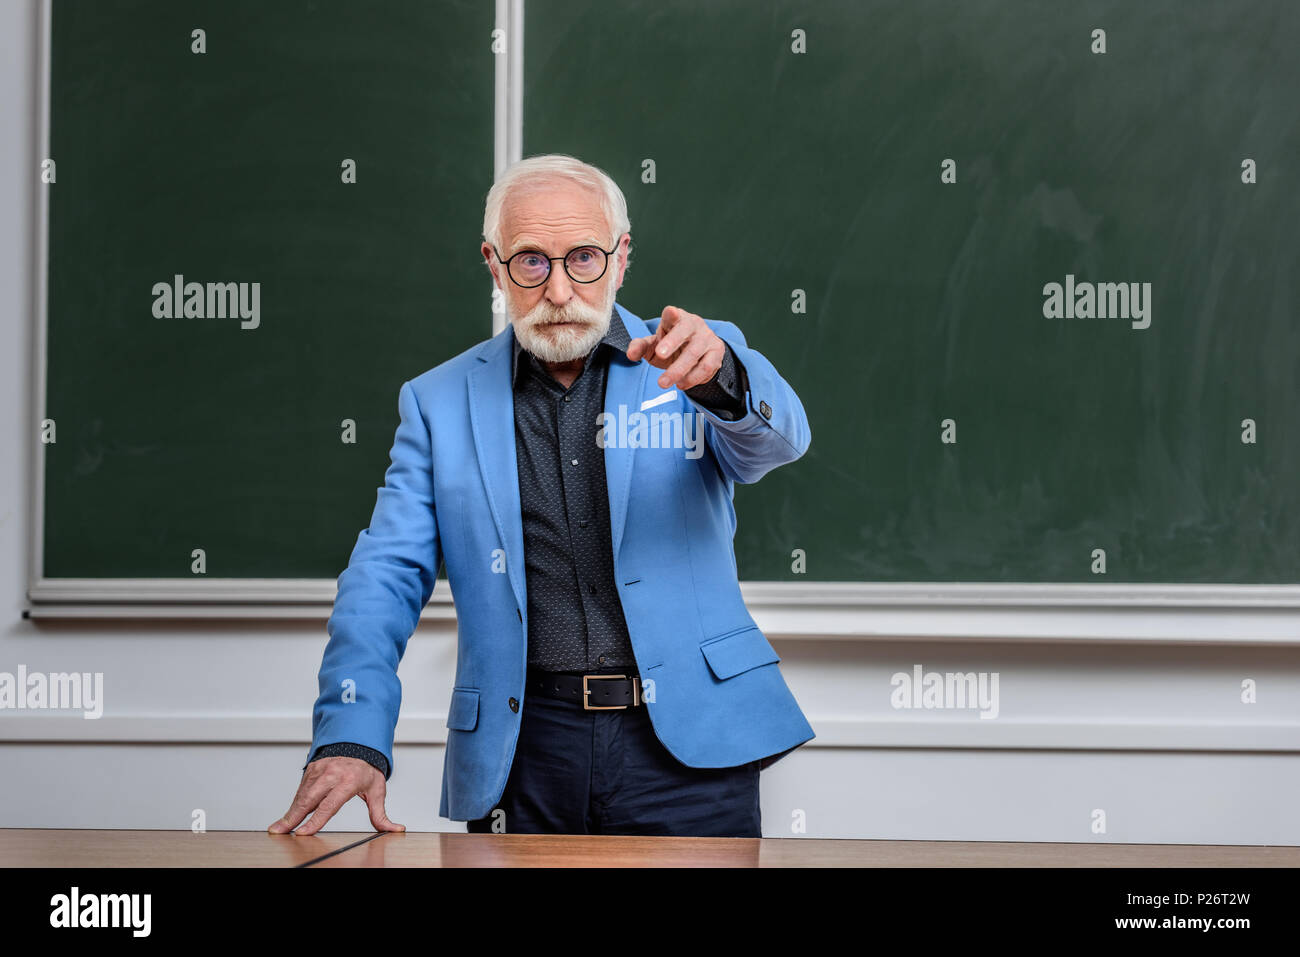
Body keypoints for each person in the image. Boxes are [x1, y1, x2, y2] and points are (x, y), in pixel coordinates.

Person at [268, 154, 814, 838]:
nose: (559, 289)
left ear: (621, 259)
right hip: (522, 755)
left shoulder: (694, 361)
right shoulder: (438, 403)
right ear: (494, 266)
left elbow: (777, 441)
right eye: (531, 262)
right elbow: (382, 576)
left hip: (691, 750)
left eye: (583, 257)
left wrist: (725, 379)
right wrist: (352, 733)